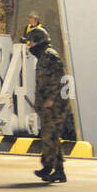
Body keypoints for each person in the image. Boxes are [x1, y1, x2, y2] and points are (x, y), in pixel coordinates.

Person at [27, 19, 67, 183]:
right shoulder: (43, 56)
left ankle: (52, 168)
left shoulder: (50, 56)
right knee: (50, 136)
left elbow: (59, 79)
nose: (29, 46)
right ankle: (55, 170)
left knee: (50, 136)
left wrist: (51, 98)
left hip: (54, 105)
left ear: (39, 42)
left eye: (31, 42)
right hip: (47, 105)